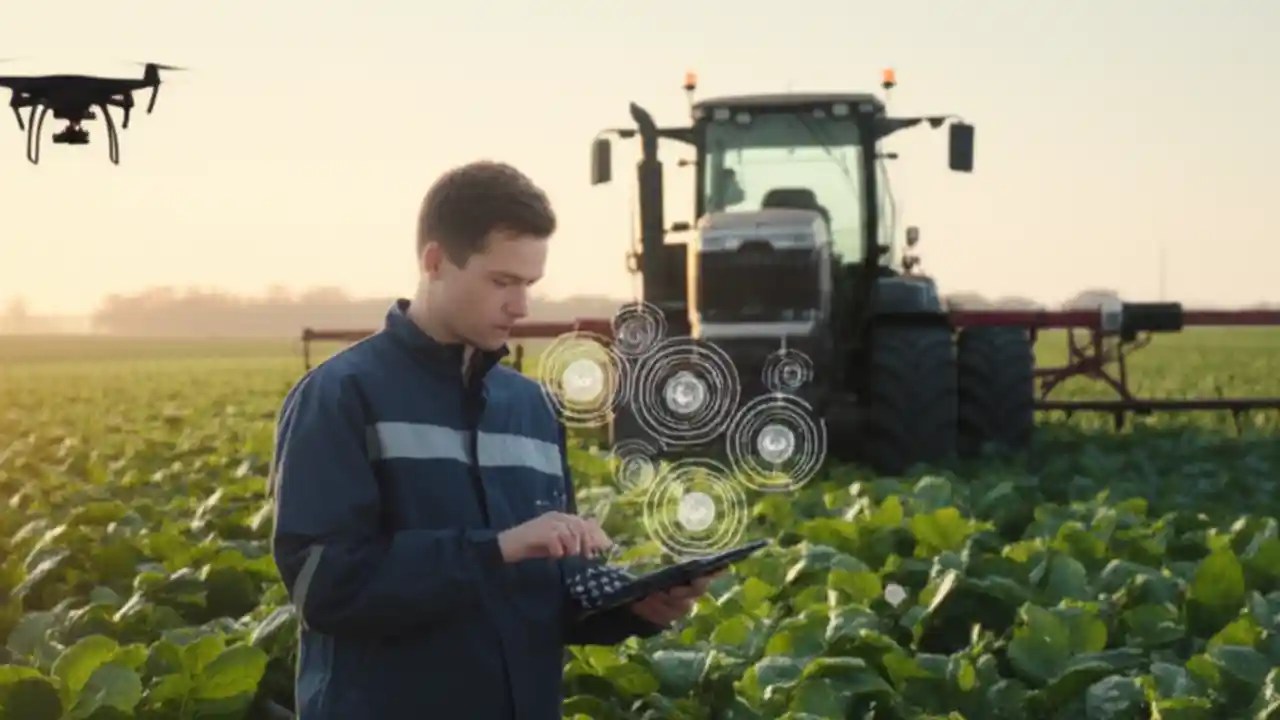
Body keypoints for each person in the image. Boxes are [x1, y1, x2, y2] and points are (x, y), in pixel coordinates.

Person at [269, 160, 715, 719]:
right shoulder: (341, 396)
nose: (520, 306)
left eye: (529, 284)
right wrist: (497, 548)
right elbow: (324, 587)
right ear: (434, 262)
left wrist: (636, 610)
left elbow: (545, 596)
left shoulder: (529, 407)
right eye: (502, 281)